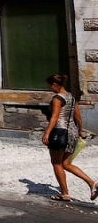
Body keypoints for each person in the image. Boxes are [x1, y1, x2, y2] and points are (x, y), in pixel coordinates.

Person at [42, 73, 98, 201]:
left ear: (55, 84)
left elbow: (55, 117)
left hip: (60, 132)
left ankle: (65, 193)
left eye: (50, 86)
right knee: (66, 164)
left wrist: (47, 133)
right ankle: (92, 183)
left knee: (56, 163)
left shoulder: (57, 98)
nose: (50, 88)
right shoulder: (71, 97)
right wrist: (79, 130)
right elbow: (78, 116)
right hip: (72, 132)